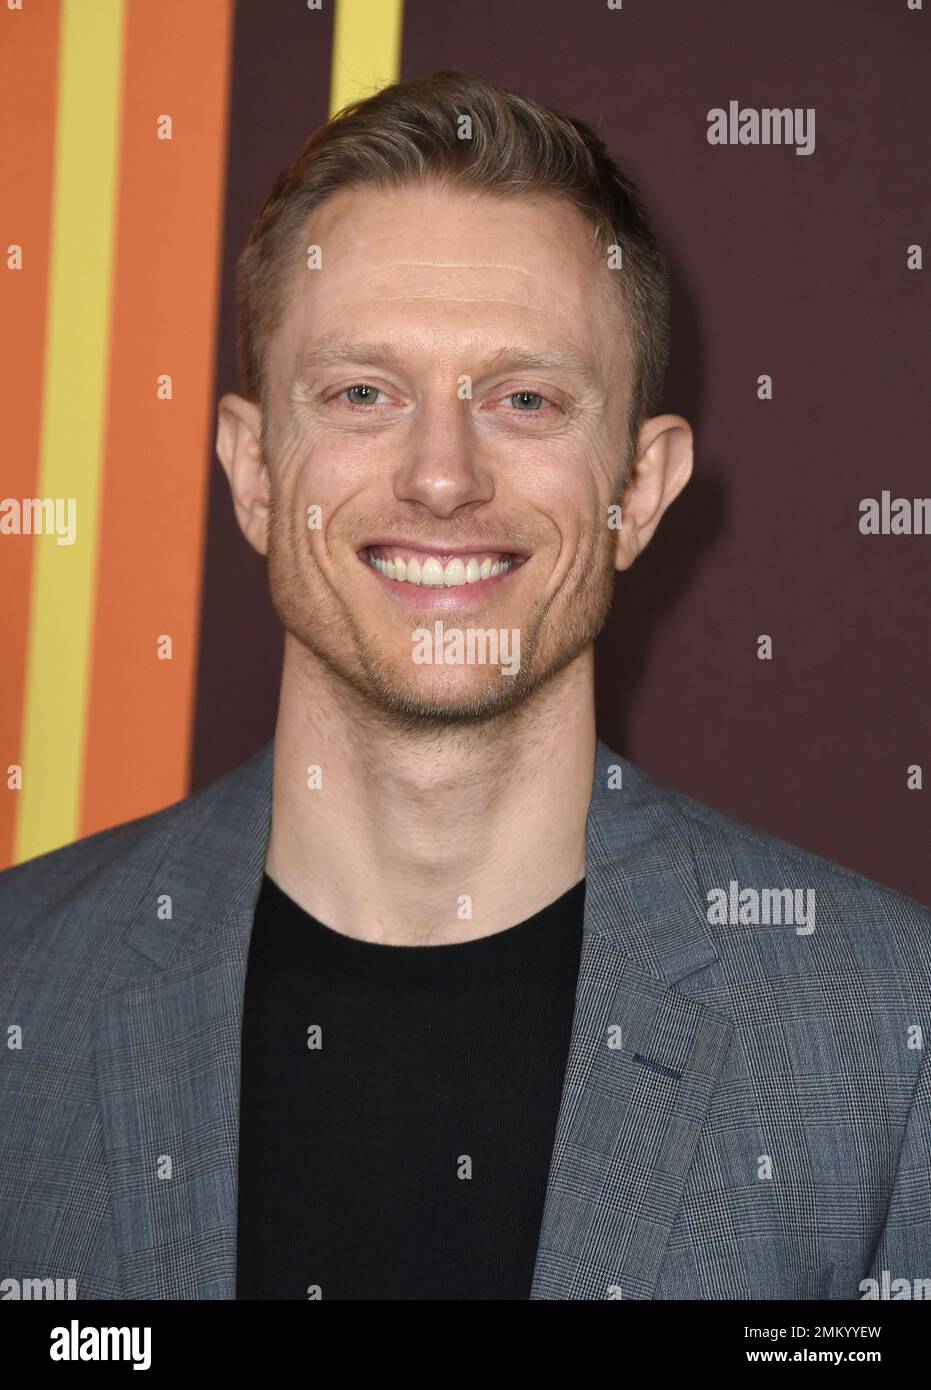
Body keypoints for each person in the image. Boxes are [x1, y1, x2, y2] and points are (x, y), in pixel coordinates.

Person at [1, 71, 928, 1302]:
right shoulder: (22, 990)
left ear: (638, 492)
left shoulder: (885, 1037)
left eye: (525, 399)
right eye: (362, 394)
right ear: (254, 471)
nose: (442, 476)